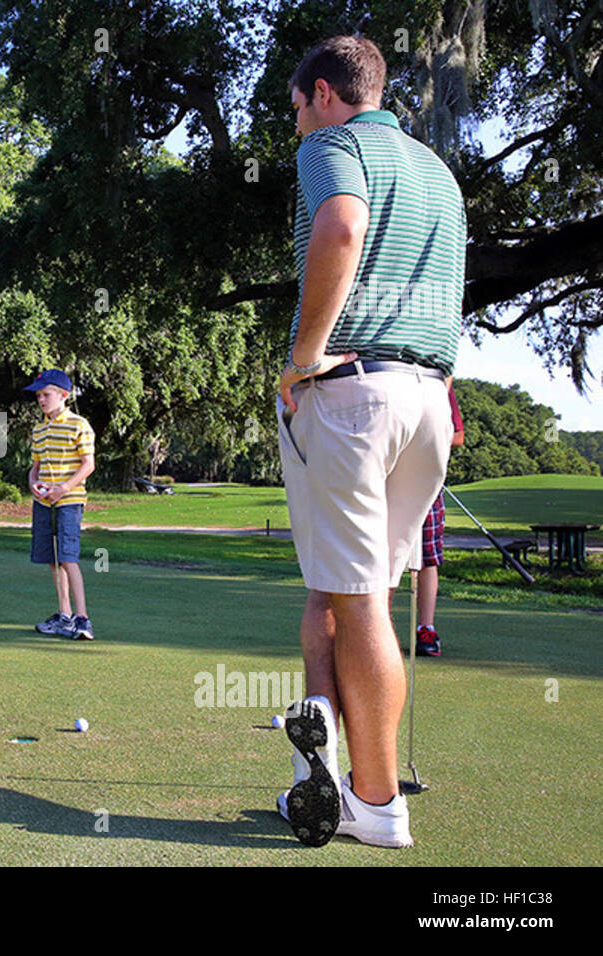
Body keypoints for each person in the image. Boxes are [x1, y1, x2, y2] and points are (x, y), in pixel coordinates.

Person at [274, 36, 465, 849]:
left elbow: (342, 227)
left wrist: (304, 357)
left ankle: (379, 804)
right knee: (344, 590)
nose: (293, 127)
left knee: (357, 601)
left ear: (322, 93)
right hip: (429, 399)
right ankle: (316, 766)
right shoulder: (438, 172)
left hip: (353, 393)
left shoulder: (334, 145)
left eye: (293, 109)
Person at [25, 369, 96, 641]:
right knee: (53, 560)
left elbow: (88, 464)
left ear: (64, 395)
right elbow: (35, 468)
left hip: (69, 500)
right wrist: (33, 483)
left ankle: (83, 619)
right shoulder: (39, 429)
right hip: (43, 502)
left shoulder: (79, 424)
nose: (41, 399)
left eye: (46, 394)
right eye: (39, 395)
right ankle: (64, 615)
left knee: (68, 557)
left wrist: (63, 488)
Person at [415, 384, 466, 656]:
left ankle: (426, 628)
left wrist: (426, 437)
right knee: (381, 557)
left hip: (427, 481)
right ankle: (377, 629)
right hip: (384, 478)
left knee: (427, 556)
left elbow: (458, 436)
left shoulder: (441, 384)